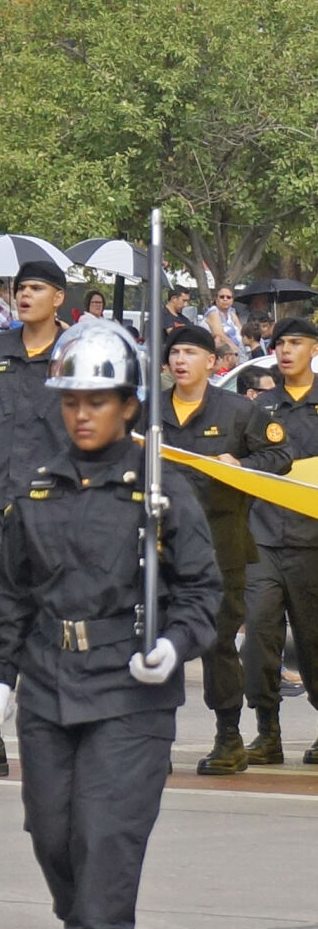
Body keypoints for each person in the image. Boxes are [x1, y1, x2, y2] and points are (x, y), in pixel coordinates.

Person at [0, 318, 219, 929]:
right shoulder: (39, 484)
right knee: (49, 829)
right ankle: (96, 924)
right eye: (71, 401)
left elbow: (201, 590)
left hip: (128, 685)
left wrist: (175, 644)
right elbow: (14, 591)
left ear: (128, 405)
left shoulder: (160, 489)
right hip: (49, 678)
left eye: (97, 400)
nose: (81, 414)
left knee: (104, 831)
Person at [161, 325, 291, 774]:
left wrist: (241, 463)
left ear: (212, 363)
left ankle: (229, 737)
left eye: (190, 352)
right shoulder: (151, 412)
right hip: (160, 547)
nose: (181, 360)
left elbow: (279, 458)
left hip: (221, 547)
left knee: (216, 642)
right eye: (175, 353)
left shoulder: (237, 411)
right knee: (156, 641)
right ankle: (152, 738)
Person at [0, 258, 66, 778]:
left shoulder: (76, 353)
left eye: (36, 288)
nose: (24, 295)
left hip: (54, 509)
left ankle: (61, 734)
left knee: (54, 618)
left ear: (59, 298)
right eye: (20, 288)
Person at [240, 316, 318, 766]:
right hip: (264, 538)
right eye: (280, 343)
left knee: (314, 641)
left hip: (313, 541)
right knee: (259, 635)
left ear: (314, 349)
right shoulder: (261, 406)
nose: (286, 350)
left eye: (296, 342)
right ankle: (267, 730)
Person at [204, 285, 244, 357]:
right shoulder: (213, 312)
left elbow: (242, 332)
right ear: (216, 299)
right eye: (222, 297)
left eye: (228, 297)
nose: (225, 299)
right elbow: (220, 335)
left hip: (239, 348)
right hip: (224, 351)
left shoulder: (231, 312)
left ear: (232, 300)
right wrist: (238, 352)